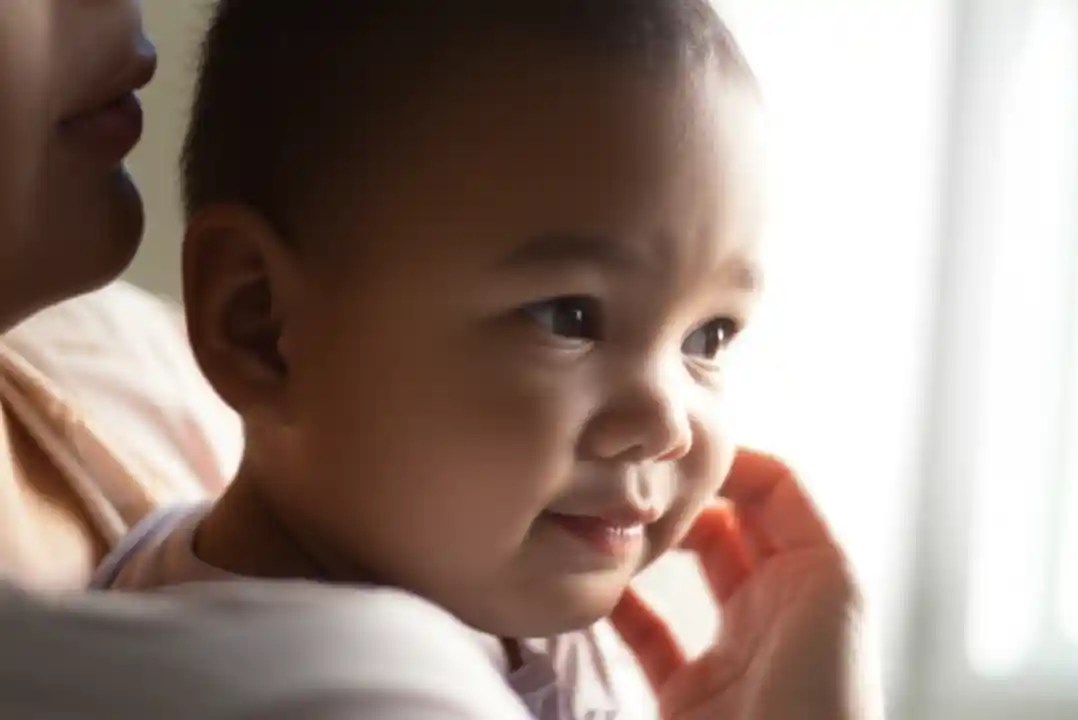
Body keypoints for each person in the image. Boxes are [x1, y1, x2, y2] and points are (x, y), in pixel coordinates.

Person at [0, 1, 879, 718]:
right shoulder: (326, 686)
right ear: (261, 326)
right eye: (569, 314)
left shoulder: (472, 596)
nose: (667, 424)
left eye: (708, 337)